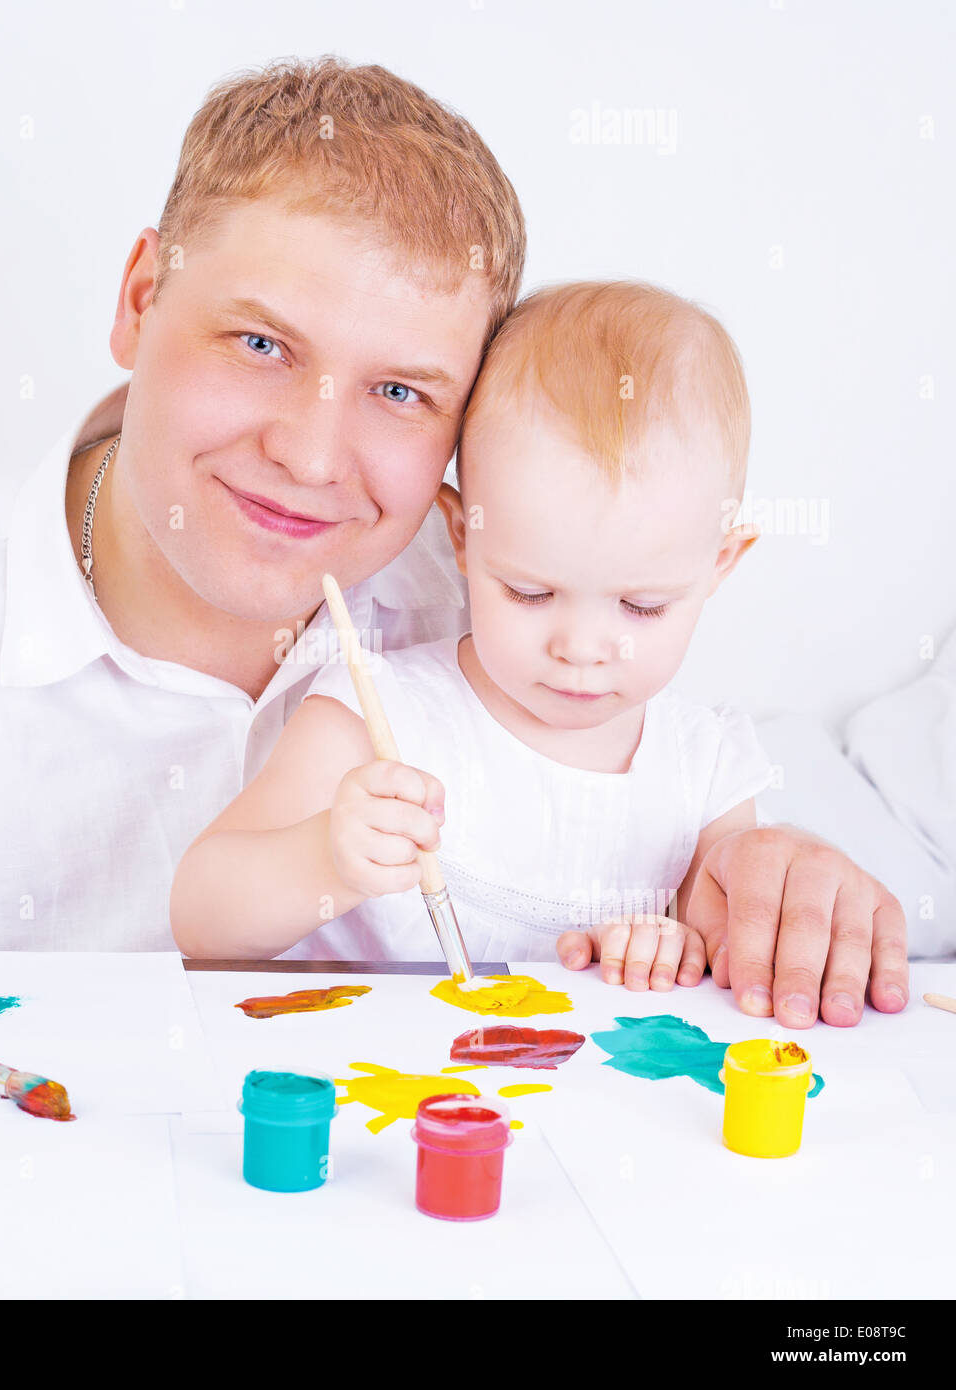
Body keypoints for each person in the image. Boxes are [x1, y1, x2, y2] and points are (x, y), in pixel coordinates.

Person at [0, 57, 907, 1028]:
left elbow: (666, 810)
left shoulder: (513, 613)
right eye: (261, 345)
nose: (312, 456)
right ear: (136, 299)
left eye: (398, 393)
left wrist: (767, 880)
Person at [173, 280, 773, 990]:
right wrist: (325, 861)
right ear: (462, 537)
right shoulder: (378, 716)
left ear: (719, 566)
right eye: (530, 592)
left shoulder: (708, 771)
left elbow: (738, 954)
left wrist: (680, 949)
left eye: (642, 607)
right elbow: (199, 916)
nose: (580, 648)